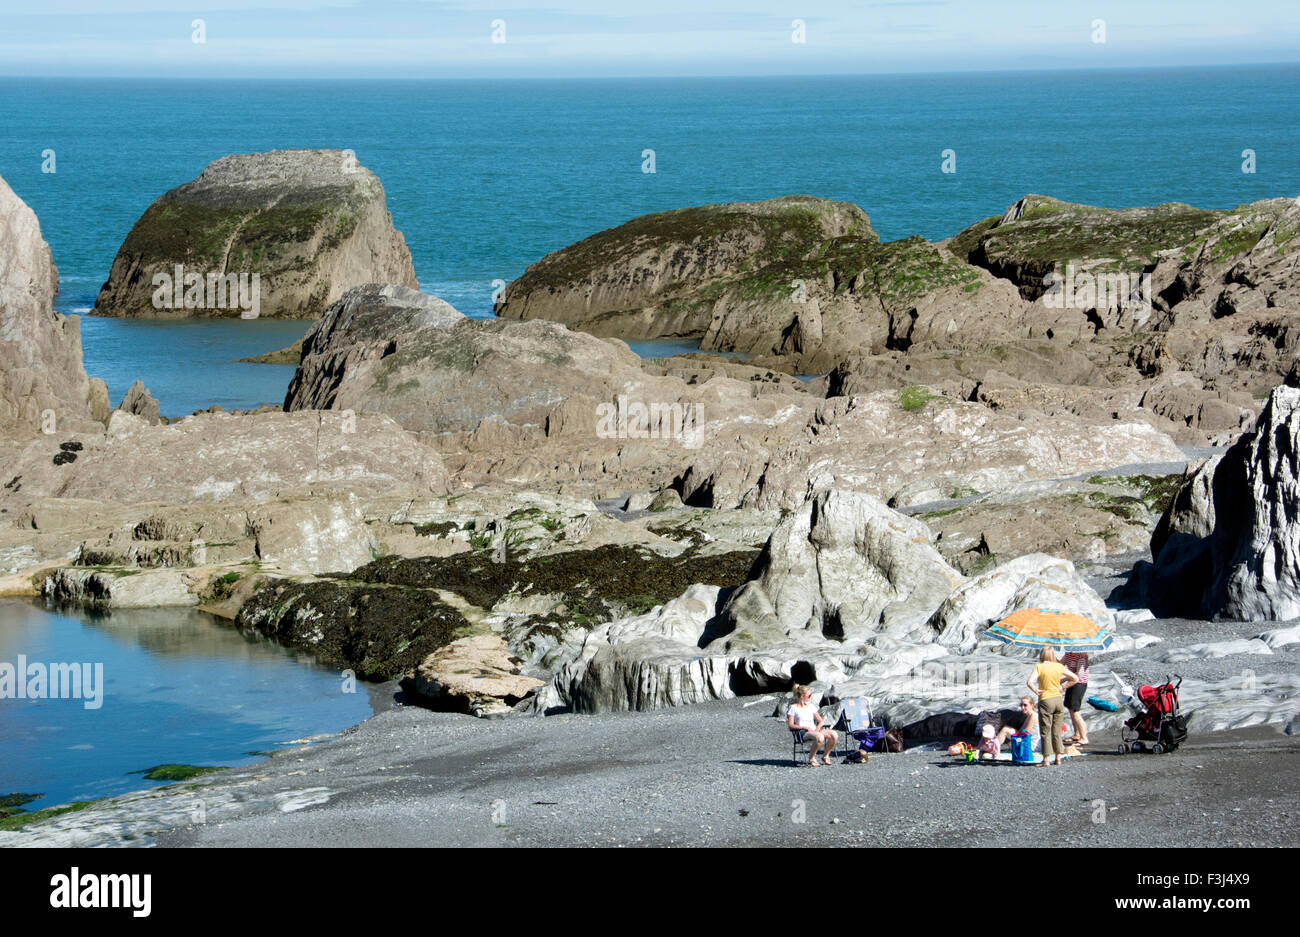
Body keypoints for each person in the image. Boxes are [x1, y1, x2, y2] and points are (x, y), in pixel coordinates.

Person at [1027, 648, 1079, 767]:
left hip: (1045, 699)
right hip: (1058, 700)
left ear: (1042, 655)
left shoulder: (1039, 667)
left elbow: (1029, 682)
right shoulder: (1059, 667)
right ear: (1052, 655)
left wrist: (1036, 690)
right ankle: (1058, 758)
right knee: (1056, 731)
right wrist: (1064, 686)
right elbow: (1075, 678)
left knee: (1045, 731)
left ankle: (1046, 759)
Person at [786, 685, 838, 766]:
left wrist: (817, 729)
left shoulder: (811, 707)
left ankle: (826, 755)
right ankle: (812, 758)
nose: (810, 697)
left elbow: (821, 721)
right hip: (802, 732)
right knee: (819, 737)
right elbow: (791, 725)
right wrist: (804, 727)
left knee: (834, 734)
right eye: (809, 695)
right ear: (802, 696)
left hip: (814, 730)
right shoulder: (793, 708)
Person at [1061, 650, 1090, 745]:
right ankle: (1077, 734)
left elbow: (1079, 675)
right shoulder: (1068, 654)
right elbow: (1060, 664)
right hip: (1072, 683)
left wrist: (1063, 682)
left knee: (1075, 711)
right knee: (1070, 709)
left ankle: (1084, 737)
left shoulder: (1082, 656)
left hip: (1080, 684)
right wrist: (1050, 657)